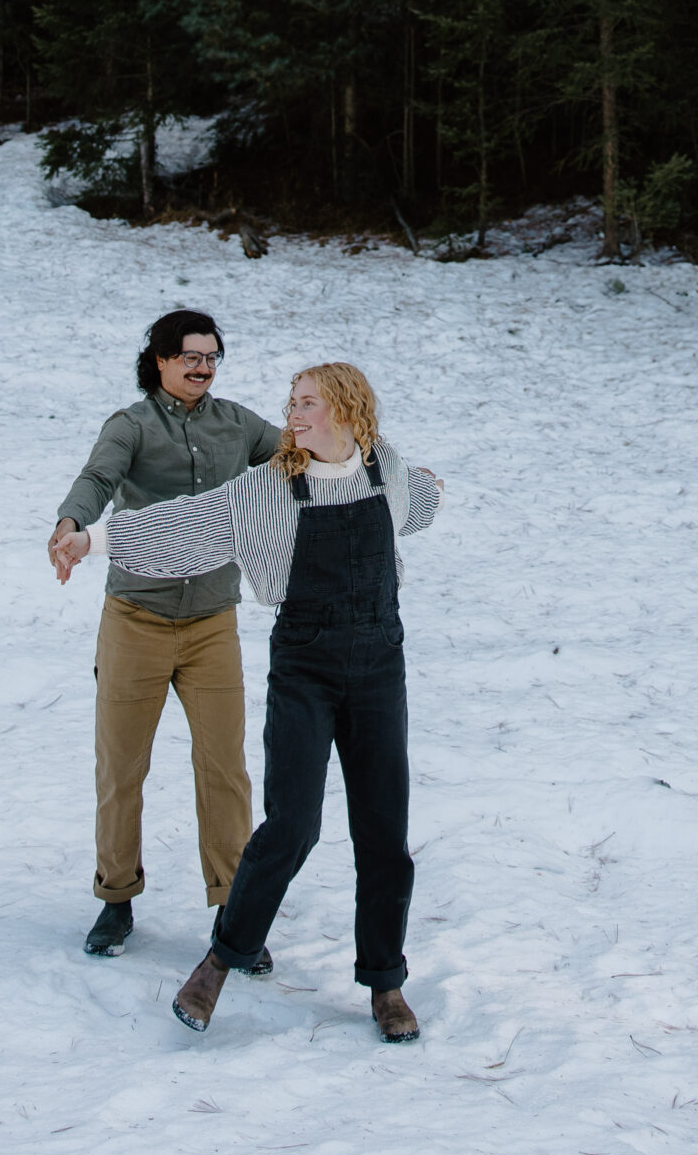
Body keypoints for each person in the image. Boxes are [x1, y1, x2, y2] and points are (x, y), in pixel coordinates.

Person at [53, 362, 442, 1042]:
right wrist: (94, 540)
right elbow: (187, 524)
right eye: (291, 403)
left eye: (307, 403)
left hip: (380, 666)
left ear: (347, 410)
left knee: (385, 833)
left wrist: (433, 491)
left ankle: (386, 983)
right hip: (305, 670)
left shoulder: (385, 469)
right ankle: (217, 964)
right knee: (290, 827)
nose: (293, 414)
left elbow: (415, 503)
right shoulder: (268, 491)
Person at [51, 310, 280, 958]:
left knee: (225, 769)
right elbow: (97, 480)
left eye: (211, 357)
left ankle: (233, 911)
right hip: (136, 623)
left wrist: (365, 467)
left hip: (213, 623)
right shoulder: (130, 427)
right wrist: (71, 523)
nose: (202, 368)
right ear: (158, 360)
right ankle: (115, 899)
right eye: (189, 357)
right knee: (122, 766)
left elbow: (298, 456)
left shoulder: (236, 424)